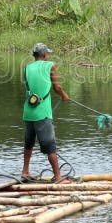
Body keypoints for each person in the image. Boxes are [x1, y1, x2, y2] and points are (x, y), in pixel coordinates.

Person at [22, 43, 71, 183]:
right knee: (50, 145)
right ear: (44, 55)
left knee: (29, 143)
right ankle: (58, 177)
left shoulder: (27, 68)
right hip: (42, 112)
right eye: (47, 53)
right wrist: (64, 95)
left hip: (28, 111)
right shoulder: (50, 65)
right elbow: (57, 86)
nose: (48, 55)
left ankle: (25, 172)